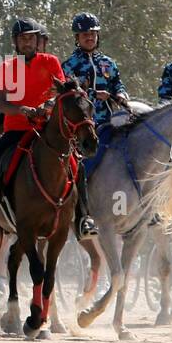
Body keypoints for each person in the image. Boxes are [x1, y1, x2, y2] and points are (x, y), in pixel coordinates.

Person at [0, 18, 65, 241]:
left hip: (46, 130)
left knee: (76, 161)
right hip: (16, 129)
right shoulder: (6, 67)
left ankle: (84, 216)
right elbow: (2, 104)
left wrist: (48, 105)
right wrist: (24, 110)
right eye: (23, 39)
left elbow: (61, 92)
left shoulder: (51, 62)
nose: (27, 42)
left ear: (37, 40)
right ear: (16, 41)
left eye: (31, 38)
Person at [60, 12, 126, 237]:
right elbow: (67, 95)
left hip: (110, 122)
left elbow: (118, 85)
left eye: (93, 34)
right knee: (81, 167)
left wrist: (122, 96)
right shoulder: (69, 65)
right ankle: (83, 215)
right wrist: (92, 94)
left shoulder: (109, 63)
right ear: (77, 37)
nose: (89, 37)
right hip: (83, 128)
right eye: (85, 34)